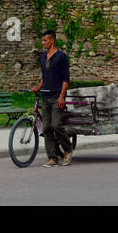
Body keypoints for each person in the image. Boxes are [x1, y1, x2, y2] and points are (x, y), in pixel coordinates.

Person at [31, 29, 72, 167]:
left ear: (52, 40)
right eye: (42, 41)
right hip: (45, 96)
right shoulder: (42, 57)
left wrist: (62, 96)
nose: (43, 43)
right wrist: (38, 86)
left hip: (56, 96)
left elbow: (66, 79)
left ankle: (68, 149)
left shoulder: (61, 57)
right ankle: (53, 158)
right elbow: (45, 76)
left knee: (56, 125)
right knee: (46, 128)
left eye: (45, 40)